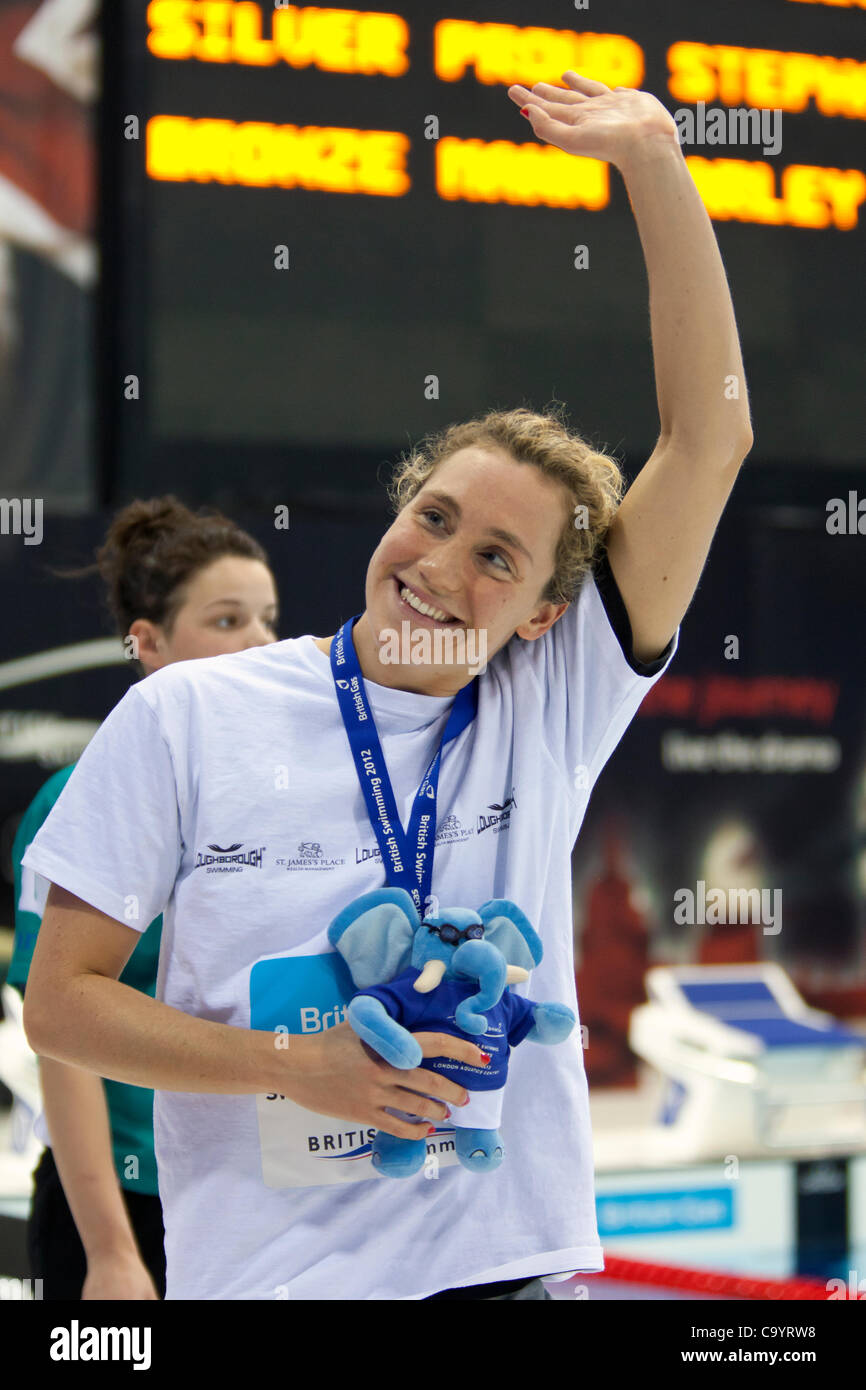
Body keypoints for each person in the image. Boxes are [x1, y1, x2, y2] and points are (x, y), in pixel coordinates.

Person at [20, 73, 753, 1300]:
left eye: (497, 560)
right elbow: (63, 1008)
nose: (438, 567)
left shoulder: (546, 707)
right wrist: (289, 1063)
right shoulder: (189, 715)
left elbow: (707, 438)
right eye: (434, 516)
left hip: (511, 1271)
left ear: (543, 617)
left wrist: (652, 164)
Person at [9, 496, 279, 1299]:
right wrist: (112, 1253)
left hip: (249, 1198)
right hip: (125, 1209)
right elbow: (61, 1045)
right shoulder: (80, 800)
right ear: (150, 644)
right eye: (228, 620)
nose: (262, 642)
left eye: (268, 618)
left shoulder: (282, 799)